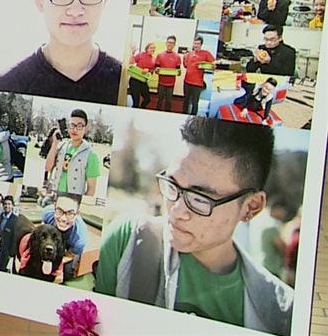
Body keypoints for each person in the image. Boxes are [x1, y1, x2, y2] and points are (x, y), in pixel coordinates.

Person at [94, 117, 292, 335]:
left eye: (199, 198)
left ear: (250, 207)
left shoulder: (281, 312)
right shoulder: (129, 242)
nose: (177, 211)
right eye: (173, 185)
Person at [44, 109, 101, 197]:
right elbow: (48, 167)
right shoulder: (61, 147)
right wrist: (55, 144)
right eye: (72, 125)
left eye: (79, 126)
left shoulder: (91, 154)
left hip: (73, 200)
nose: (75, 129)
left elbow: (91, 188)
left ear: (85, 128)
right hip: (55, 196)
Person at [36, 193, 88, 281]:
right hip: (51, 239)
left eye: (70, 213)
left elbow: (69, 255)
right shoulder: (47, 213)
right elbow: (41, 232)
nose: (63, 219)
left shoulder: (80, 238)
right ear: (54, 207)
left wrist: (57, 265)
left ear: (77, 213)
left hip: (69, 247)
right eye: (59, 211)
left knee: (67, 271)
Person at [182, 36, 216, 117]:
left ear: (201, 44)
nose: (196, 45)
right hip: (187, 81)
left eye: (198, 44)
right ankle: (183, 116)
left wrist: (213, 65)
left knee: (195, 102)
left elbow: (213, 62)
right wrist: (184, 59)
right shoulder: (189, 54)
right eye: (195, 43)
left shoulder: (206, 53)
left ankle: (193, 118)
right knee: (186, 100)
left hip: (198, 83)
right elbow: (186, 66)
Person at [154, 35, 183, 113]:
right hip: (161, 82)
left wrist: (179, 72)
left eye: (172, 43)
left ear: (174, 45)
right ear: (166, 43)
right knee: (159, 100)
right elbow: (156, 69)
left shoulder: (177, 56)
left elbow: (178, 70)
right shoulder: (160, 55)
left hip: (171, 83)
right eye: (169, 42)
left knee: (169, 101)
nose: (170, 44)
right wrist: (156, 70)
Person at [130, 42, 158, 108]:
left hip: (143, 81)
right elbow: (131, 62)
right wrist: (132, 53)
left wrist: (148, 70)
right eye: (151, 48)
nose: (152, 49)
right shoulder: (140, 54)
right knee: (136, 102)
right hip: (135, 80)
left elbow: (152, 71)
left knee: (147, 99)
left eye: (154, 48)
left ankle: (141, 110)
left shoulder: (154, 59)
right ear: (147, 49)